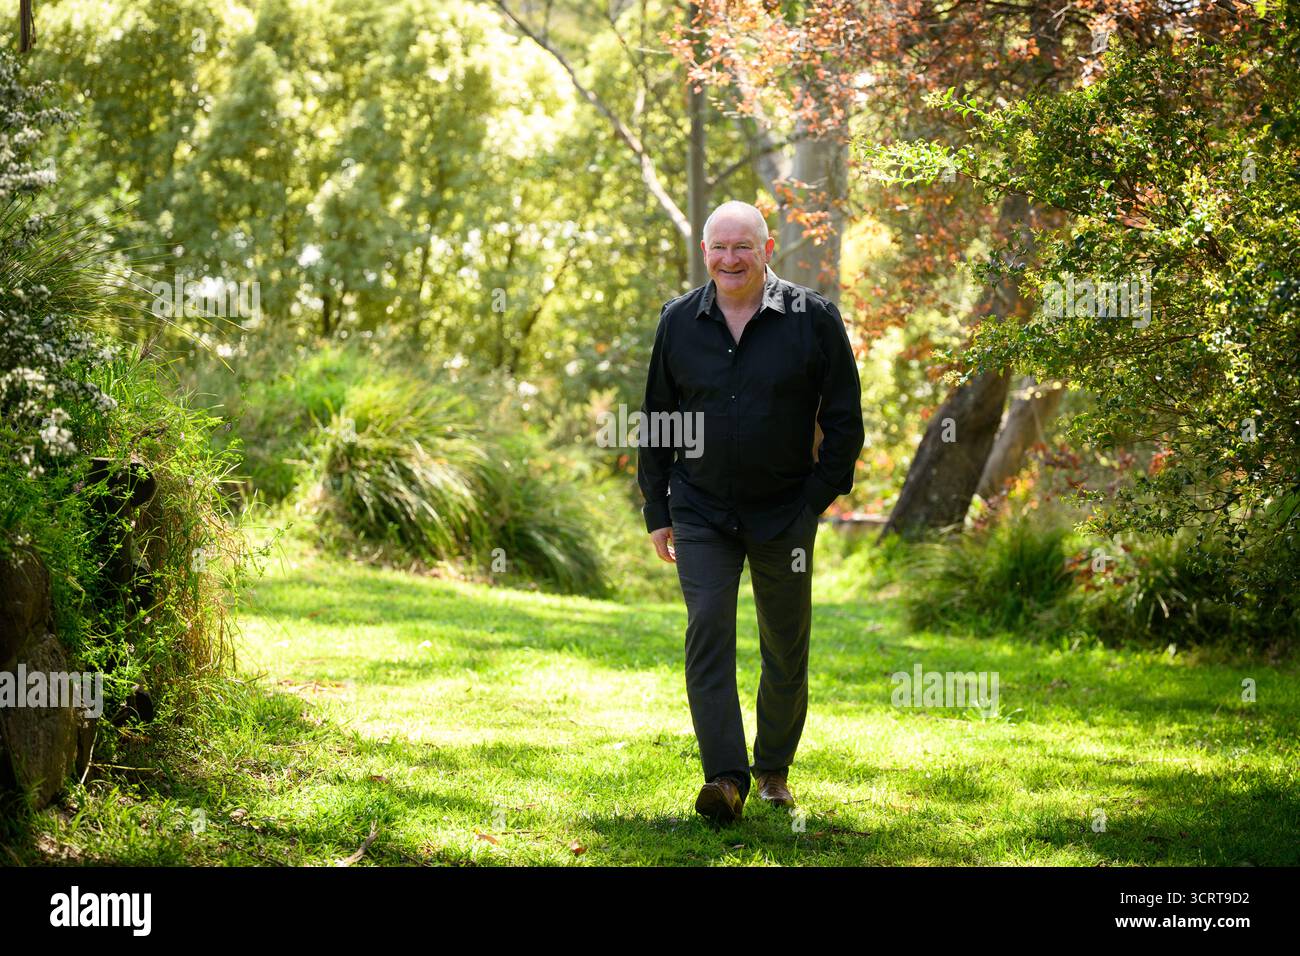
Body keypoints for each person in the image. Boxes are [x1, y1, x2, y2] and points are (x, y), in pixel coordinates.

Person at [637, 200, 865, 824]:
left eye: (743, 247)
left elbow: (845, 420)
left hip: (783, 511)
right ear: (705, 251)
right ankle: (726, 779)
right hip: (701, 509)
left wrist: (813, 501)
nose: (730, 259)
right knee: (707, 629)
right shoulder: (678, 321)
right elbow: (657, 418)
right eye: (719, 247)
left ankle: (773, 770)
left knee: (785, 646)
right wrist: (657, 508)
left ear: (768, 251)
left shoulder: (812, 318)